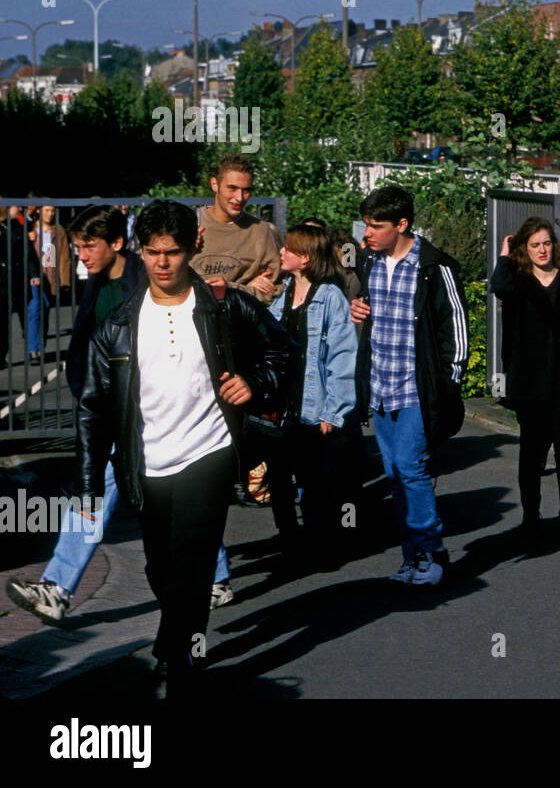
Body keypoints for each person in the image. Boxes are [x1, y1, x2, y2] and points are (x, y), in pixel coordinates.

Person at [74, 200, 293, 696]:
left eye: (172, 252)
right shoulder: (119, 324)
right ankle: (178, 636)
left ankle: (180, 657)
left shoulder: (223, 304)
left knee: (193, 563)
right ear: (139, 251)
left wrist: (255, 382)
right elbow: (93, 407)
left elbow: (281, 348)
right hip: (148, 463)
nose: (162, 264)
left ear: (193, 246)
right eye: (152, 253)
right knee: (161, 567)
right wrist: (88, 485)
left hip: (209, 451)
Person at [6, 205, 237, 624]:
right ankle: (213, 576)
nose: (82, 255)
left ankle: (60, 587)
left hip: (151, 417)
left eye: (89, 245)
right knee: (97, 493)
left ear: (117, 244)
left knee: (167, 498)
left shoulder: (144, 283)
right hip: (116, 415)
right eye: (77, 247)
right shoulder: (100, 283)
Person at [351, 185, 469, 586]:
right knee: (395, 475)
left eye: (376, 226)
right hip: (381, 386)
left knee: (410, 469)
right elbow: (368, 314)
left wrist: (446, 386)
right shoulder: (369, 260)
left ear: (402, 225)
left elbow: (456, 328)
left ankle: (430, 552)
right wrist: (357, 311)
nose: (367, 233)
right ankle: (412, 555)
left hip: (419, 389)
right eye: (366, 224)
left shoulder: (435, 267)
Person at [259, 225, 357, 560]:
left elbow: (343, 357)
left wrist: (335, 410)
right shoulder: (283, 293)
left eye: (288, 248)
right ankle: (290, 542)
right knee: (280, 482)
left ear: (305, 258)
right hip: (282, 406)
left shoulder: (330, 297)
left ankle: (324, 544)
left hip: (313, 407)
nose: (281, 252)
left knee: (316, 484)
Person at [490, 218, 560, 543]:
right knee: (532, 454)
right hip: (529, 381)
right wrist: (505, 255)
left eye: (546, 243)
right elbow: (498, 285)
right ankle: (531, 518)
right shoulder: (517, 281)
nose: (542, 250)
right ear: (524, 248)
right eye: (534, 245)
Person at [191, 154, 283, 305]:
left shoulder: (261, 232)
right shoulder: (189, 224)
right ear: (215, 184)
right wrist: (183, 248)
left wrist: (235, 289)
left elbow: (275, 291)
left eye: (246, 190)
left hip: (239, 322)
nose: (239, 198)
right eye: (232, 188)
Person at [26, 204, 71, 363]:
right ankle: (33, 350)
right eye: (47, 210)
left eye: (52, 211)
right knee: (35, 308)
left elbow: (65, 257)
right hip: (33, 276)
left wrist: (64, 281)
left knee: (44, 309)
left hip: (50, 275)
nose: (50, 214)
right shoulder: (30, 228)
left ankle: (40, 348)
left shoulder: (58, 230)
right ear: (39, 211)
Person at [1, 205, 40, 367]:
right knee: (2, 320)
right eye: (15, 206)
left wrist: (34, 274)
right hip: (3, 281)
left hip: (19, 278)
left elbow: (29, 253)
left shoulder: (18, 227)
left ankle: (33, 350)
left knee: (30, 314)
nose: (19, 209)